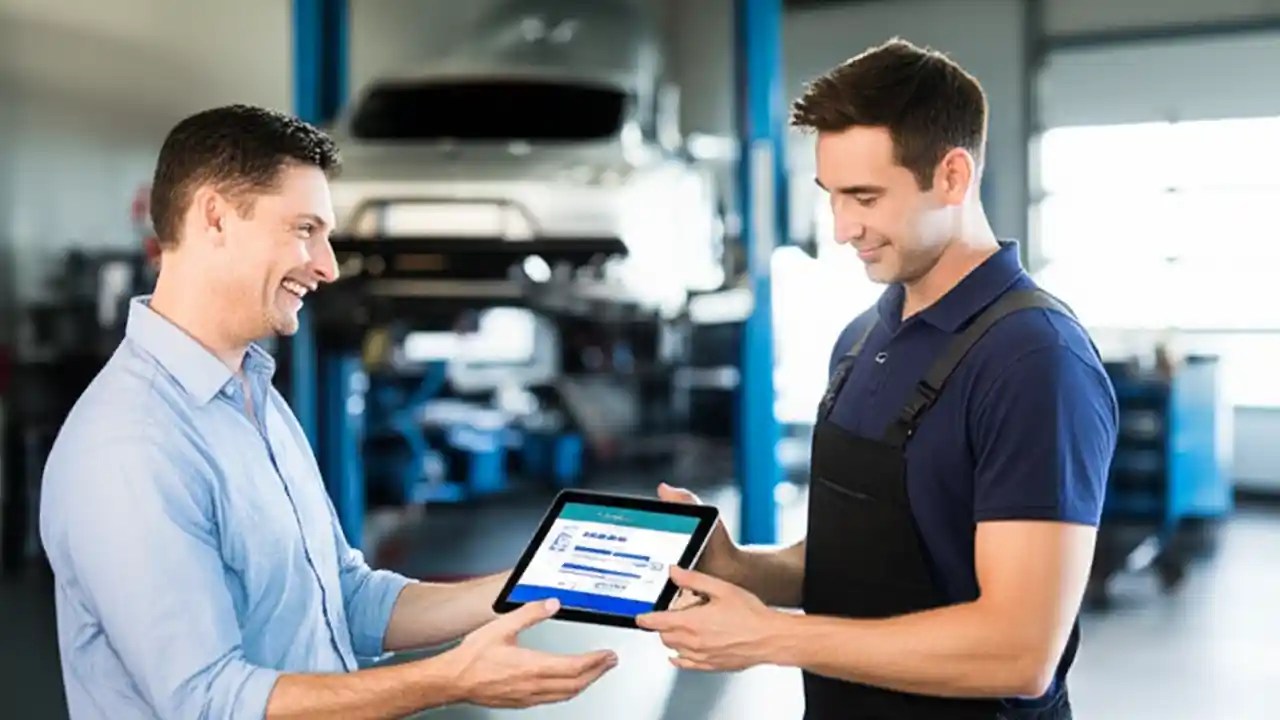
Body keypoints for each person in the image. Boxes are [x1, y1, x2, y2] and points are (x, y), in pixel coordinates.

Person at [39, 104, 616, 720]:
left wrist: (539, 584)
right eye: (304, 229)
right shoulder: (131, 445)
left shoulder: (253, 396)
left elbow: (346, 598)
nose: (329, 265)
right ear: (215, 217)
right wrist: (450, 680)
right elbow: (207, 702)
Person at [637, 38, 1117, 719]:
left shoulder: (1033, 362)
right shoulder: (865, 334)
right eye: (830, 196)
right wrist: (738, 568)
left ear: (952, 176)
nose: (841, 228)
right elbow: (855, 562)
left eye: (864, 196)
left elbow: (1019, 652)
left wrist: (770, 636)